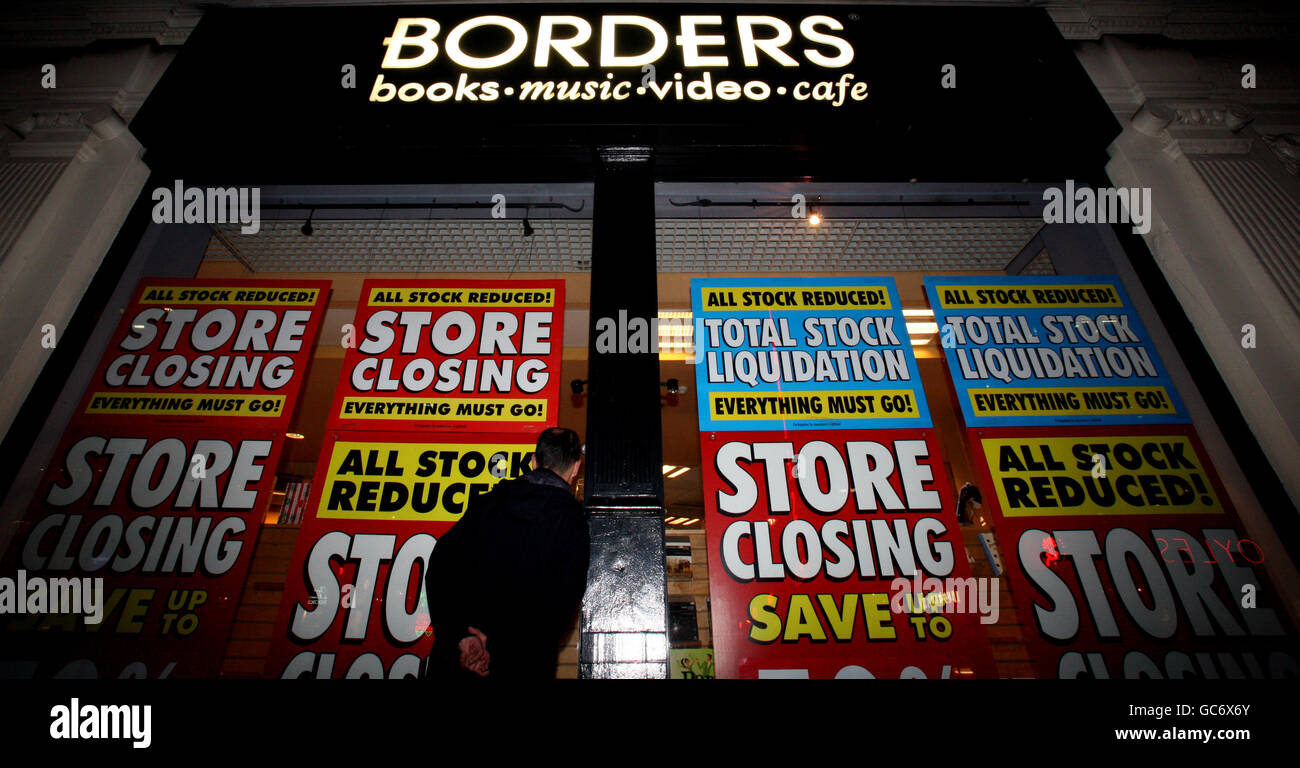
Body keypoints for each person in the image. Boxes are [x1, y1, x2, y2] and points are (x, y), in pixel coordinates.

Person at [424, 427, 590, 679]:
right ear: (576, 467)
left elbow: (440, 567)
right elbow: (562, 602)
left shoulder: (488, 503)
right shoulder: (573, 524)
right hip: (522, 664)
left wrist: (461, 635)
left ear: (534, 461)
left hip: (460, 661)